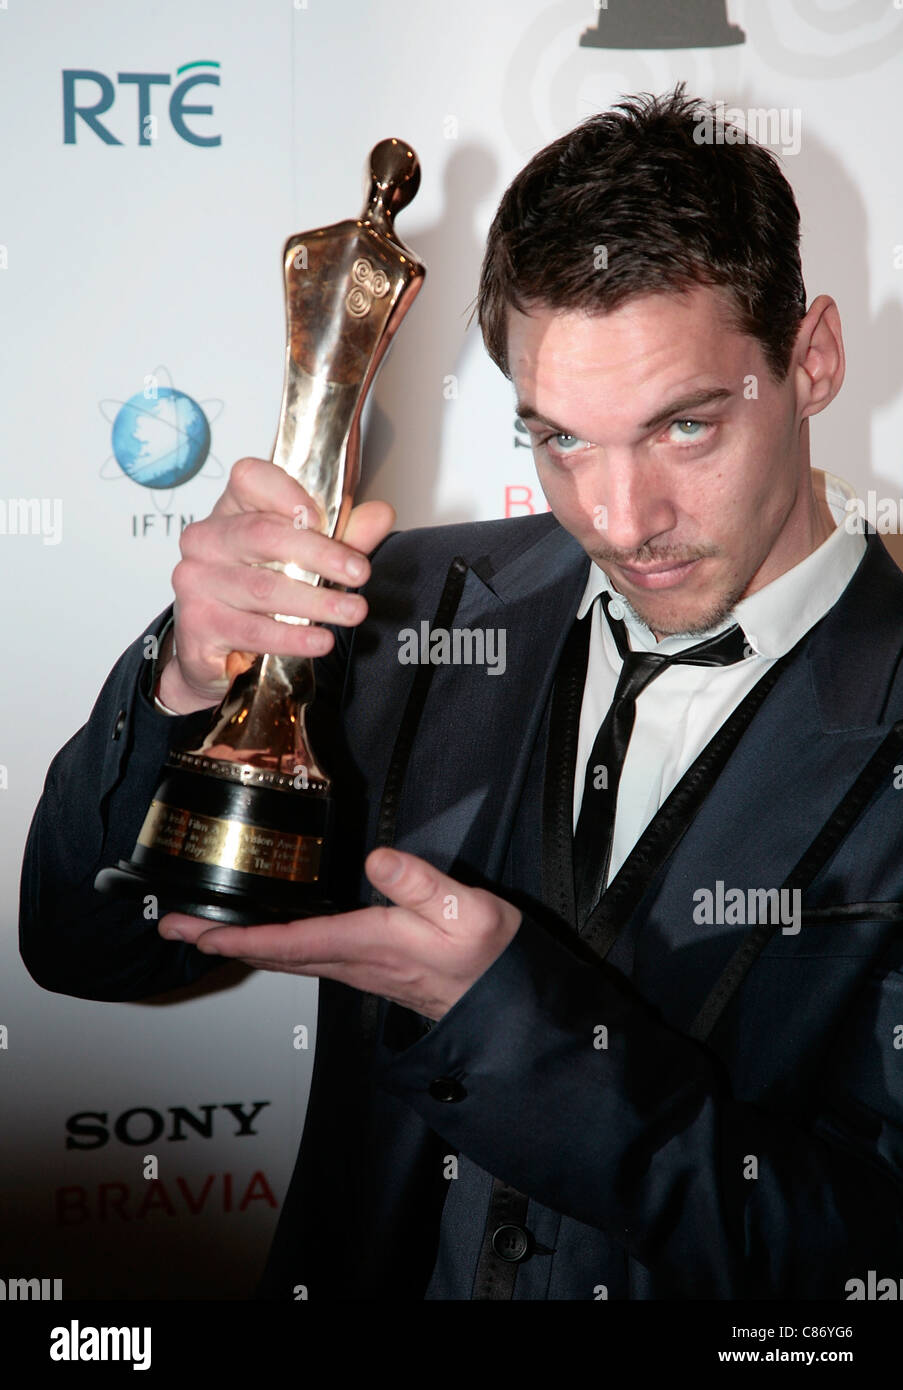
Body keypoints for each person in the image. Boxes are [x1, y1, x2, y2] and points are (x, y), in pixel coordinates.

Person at [20, 86, 903, 1300]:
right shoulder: (394, 612)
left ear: (811, 361)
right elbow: (91, 945)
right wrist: (185, 678)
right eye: (561, 440)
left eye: (685, 428)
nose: (619, 518)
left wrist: (516, 1032)